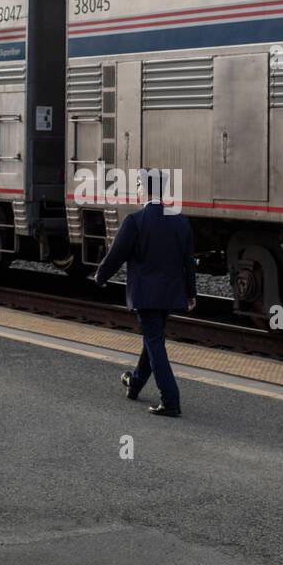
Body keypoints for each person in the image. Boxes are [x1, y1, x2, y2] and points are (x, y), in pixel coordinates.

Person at [94, 168, 196, 417]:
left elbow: (116, 255)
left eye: (138, 185)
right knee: (153, 340)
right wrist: (191, 294)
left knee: (155, 344)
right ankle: (135, 383)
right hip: (170, 296)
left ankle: (171, 401)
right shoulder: (180, 222)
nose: (137, 189)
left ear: (144, 189)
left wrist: (100, 276)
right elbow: (188, 262)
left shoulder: (135, 221)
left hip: (146, 296)